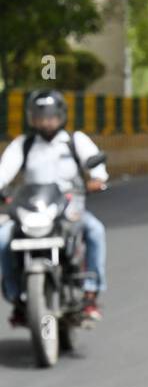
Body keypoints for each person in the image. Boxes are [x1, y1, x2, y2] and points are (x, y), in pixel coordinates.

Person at [0, 90, 109, 325]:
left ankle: (90, 292)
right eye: (40, 116)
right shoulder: (24, 145)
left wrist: (97, 179)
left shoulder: (75, 140)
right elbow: (4, 172)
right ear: (32, 118)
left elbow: (96, 166)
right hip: (33, 213)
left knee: (95, 231)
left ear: (61, 116)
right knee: (3, 237)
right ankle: (16, 296)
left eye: (50, 116)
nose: (46, 121)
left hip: (69, 211)